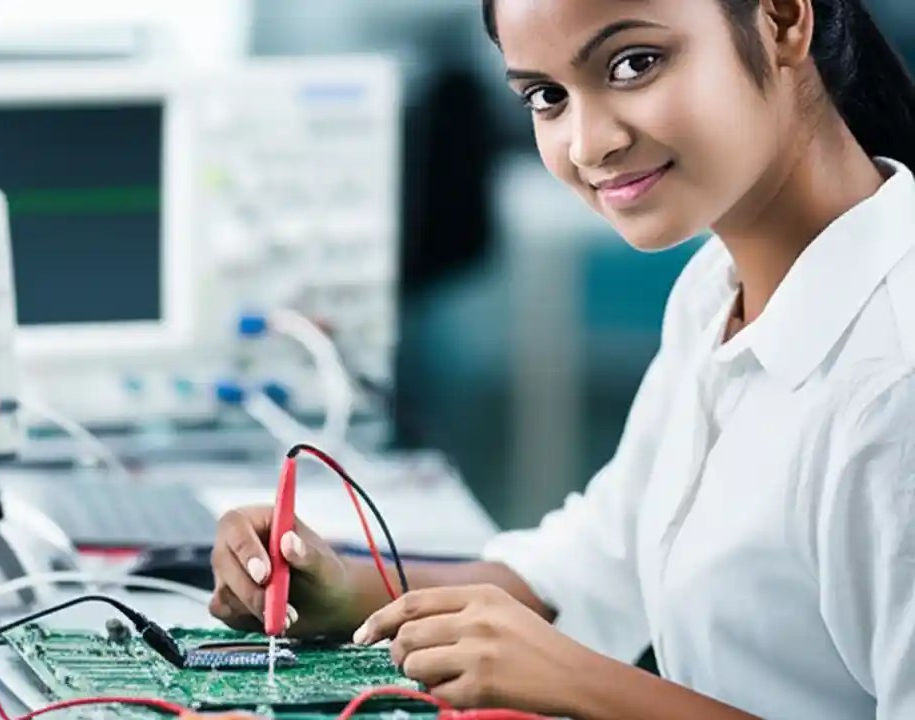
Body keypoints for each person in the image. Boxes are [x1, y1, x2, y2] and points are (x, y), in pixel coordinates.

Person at [208, 1, 915, 718]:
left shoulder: (895, 385)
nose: (587, 144)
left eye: (634, 63)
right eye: (547, 96)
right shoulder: (717, 288)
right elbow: (592, 570)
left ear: (784, 20)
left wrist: (581, 684)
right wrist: (344, 588)